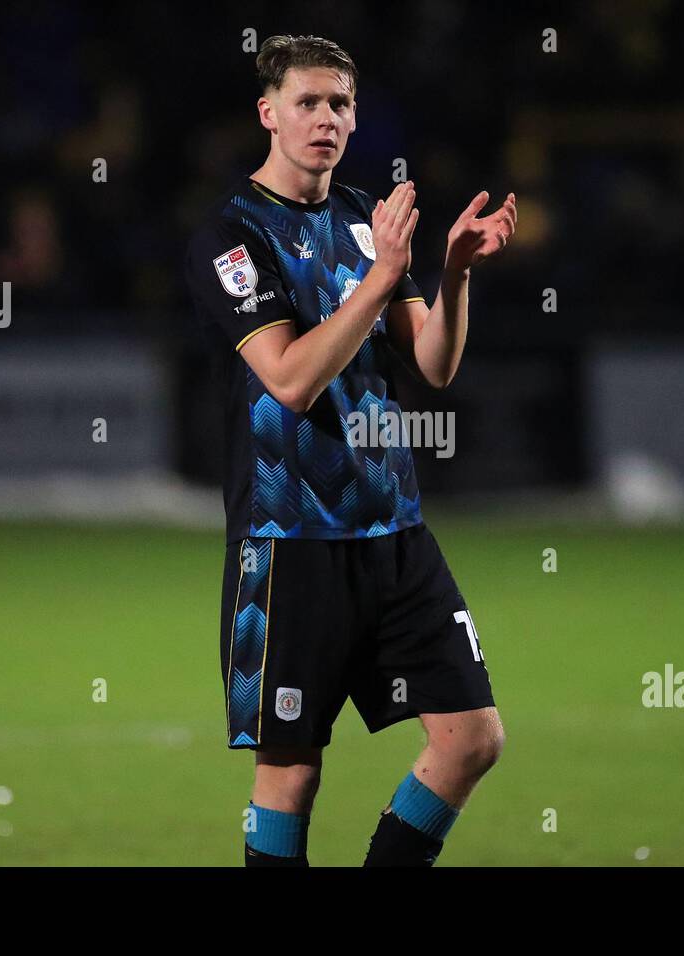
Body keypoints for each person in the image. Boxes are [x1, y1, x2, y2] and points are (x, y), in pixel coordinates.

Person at [184, 34, 516, 866]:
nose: (326, 118)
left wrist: (454, 270)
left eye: (340, 104)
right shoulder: (232, 237)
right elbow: (290, 380)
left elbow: (433, 363)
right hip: (290, 544)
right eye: (307, 102)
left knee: (472, 738)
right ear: (269, 113)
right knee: (291, 780)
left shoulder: (368, 223)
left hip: (393, 533)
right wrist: (380, 280)